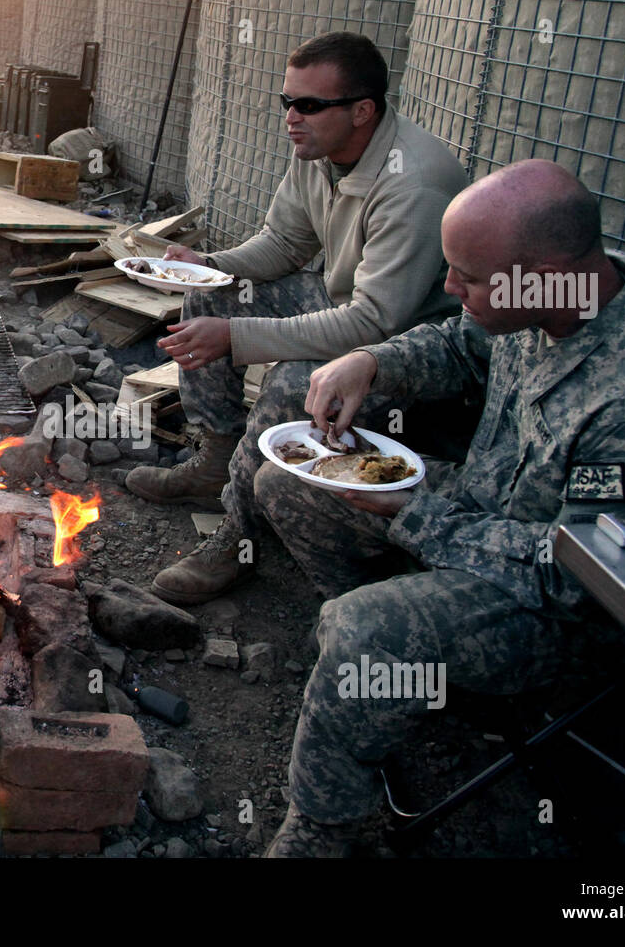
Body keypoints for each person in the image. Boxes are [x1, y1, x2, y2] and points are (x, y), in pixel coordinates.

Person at [257, 159, 625, 856]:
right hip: (490, 512)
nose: (450, 288)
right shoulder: (559, 289)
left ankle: (329, 831)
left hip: (570, 612)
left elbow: (580, 582)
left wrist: (413, 515)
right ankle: (389, 683)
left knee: (362, 628)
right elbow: (462, 344)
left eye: (467, 277)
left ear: (538, 273)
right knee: (293, 484)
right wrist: (376, 361)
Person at [126, 32, 469, 605]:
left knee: (291, 383)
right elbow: (284, 242)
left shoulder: (413, 182)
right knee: (214, 296)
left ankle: (241, 533)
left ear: (363, 111)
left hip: (407, 352)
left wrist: (238, 339)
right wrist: (209, 266)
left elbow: (376, 323)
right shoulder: (320, 150)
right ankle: (216, 459)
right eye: (286, 101)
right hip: (349, 309)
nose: (291, 117)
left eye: (308, 104)